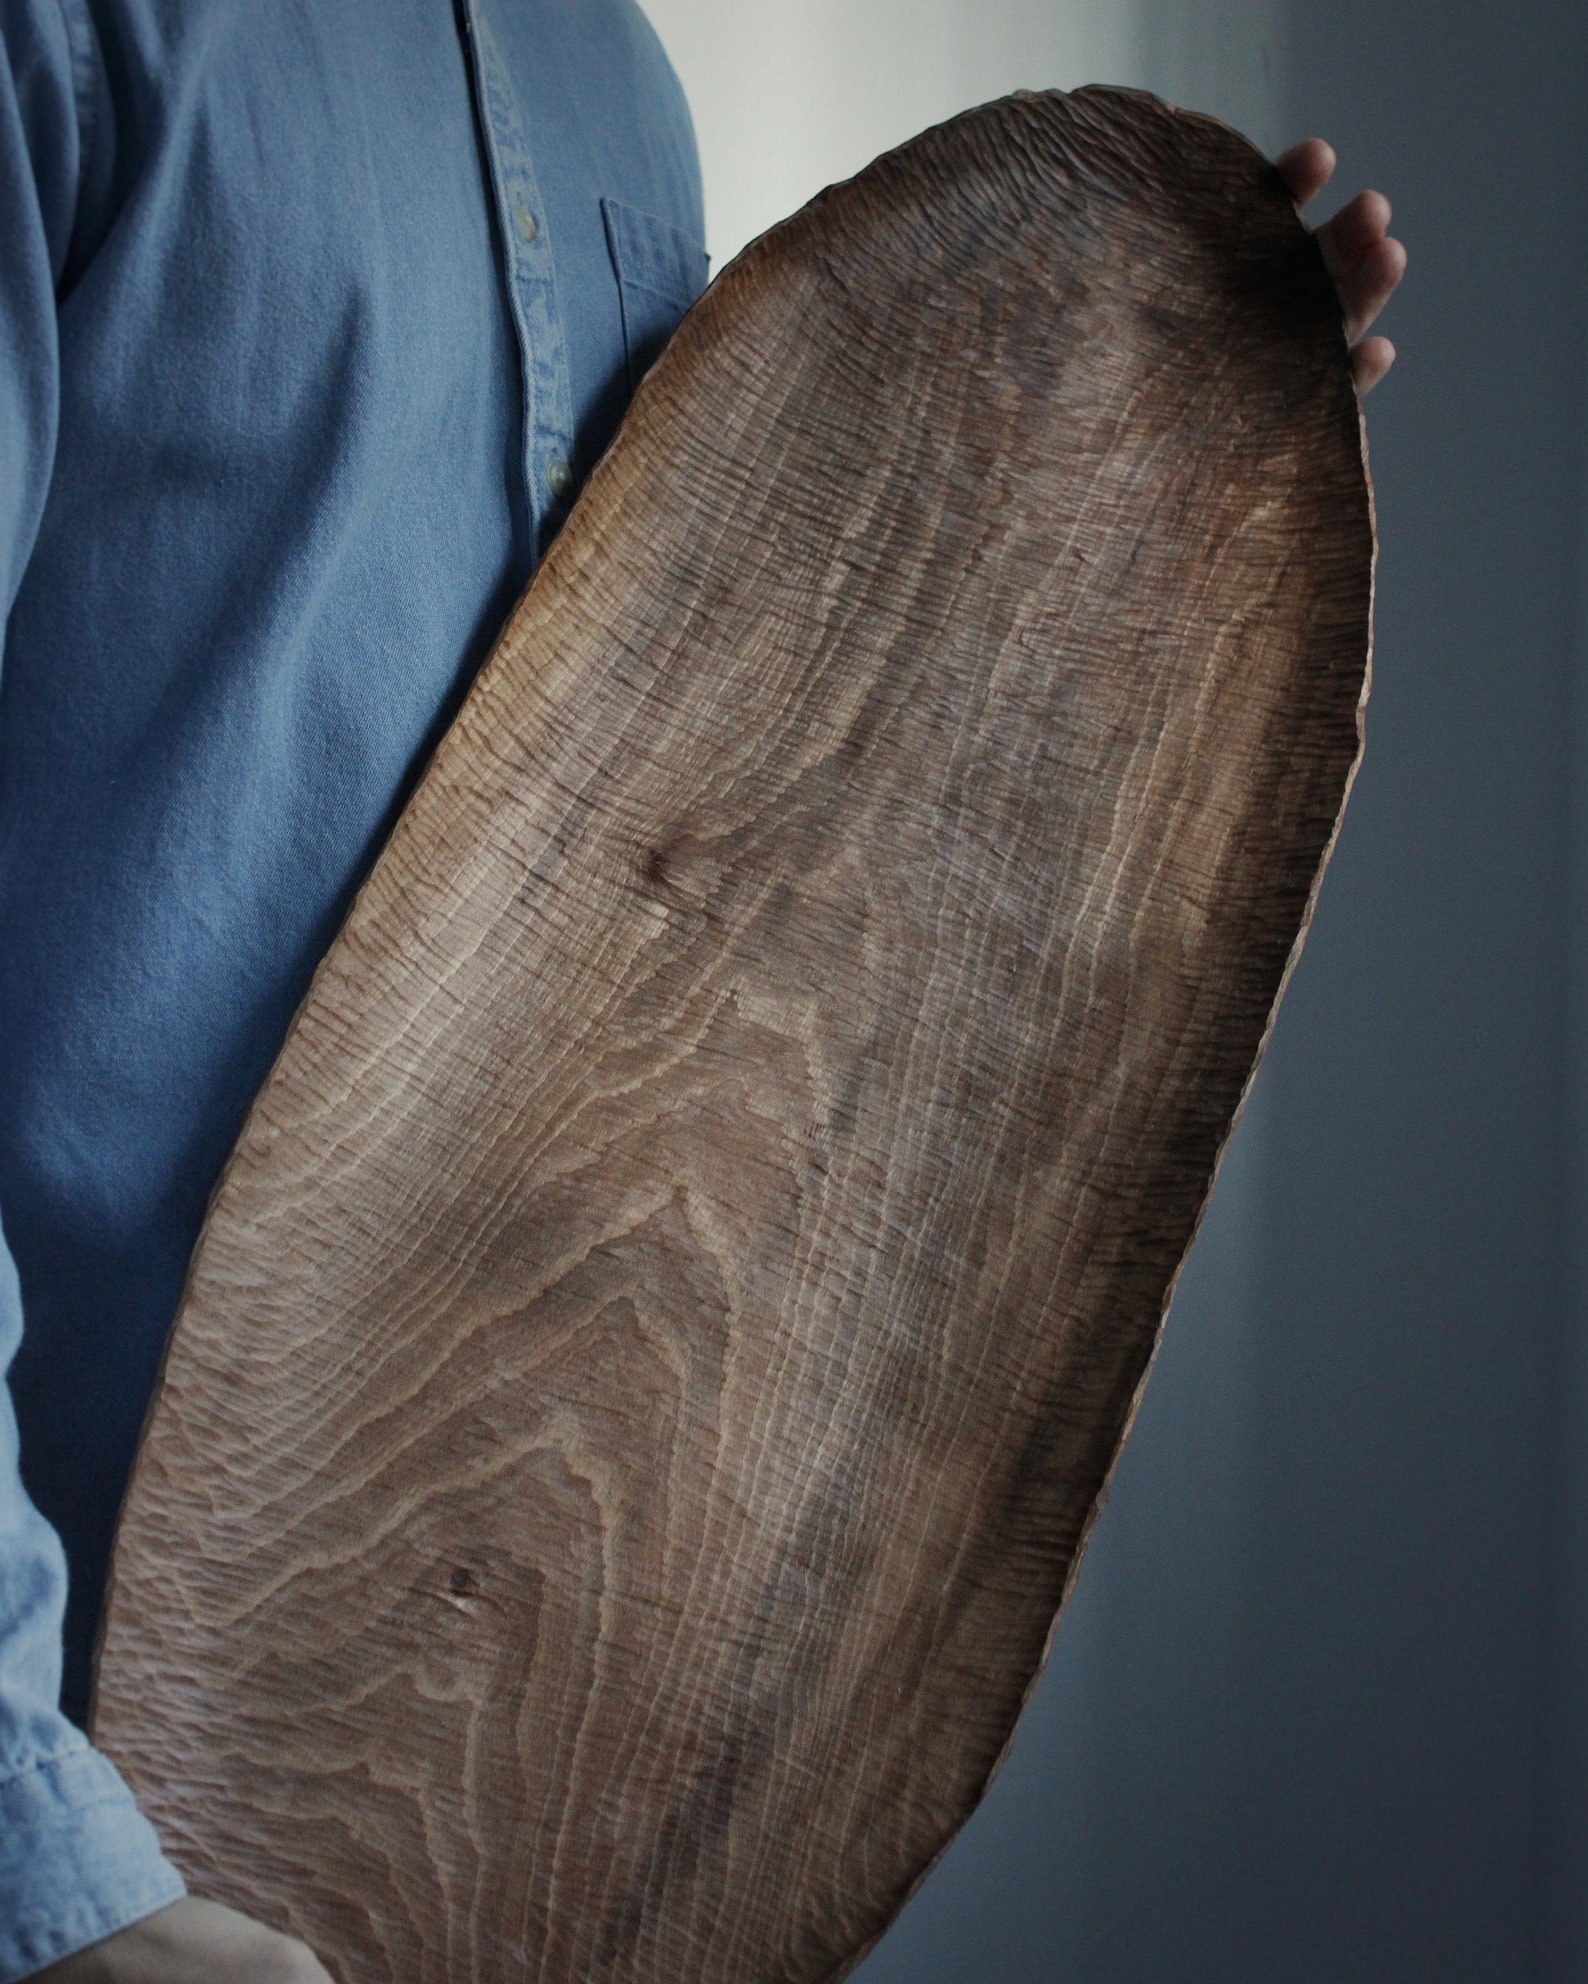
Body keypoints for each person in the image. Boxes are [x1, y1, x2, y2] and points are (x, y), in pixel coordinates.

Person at [0, 0, 1405, 1974]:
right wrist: (45, 1872)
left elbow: (673, 848)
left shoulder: (611, 88)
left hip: (470, 1796)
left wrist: (1143, 467)